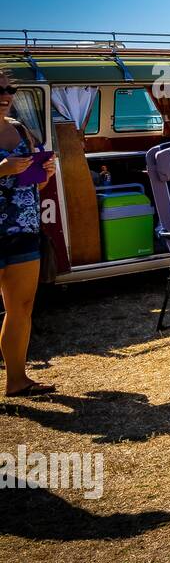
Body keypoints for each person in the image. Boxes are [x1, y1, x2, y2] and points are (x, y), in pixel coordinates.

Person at [0, 72, 58, 396]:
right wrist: (4, 169)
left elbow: (35, 185)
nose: (6, 94)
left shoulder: (21, 130)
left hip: (23, 228)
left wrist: (44, 174)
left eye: (11, 89)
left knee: (20, 307)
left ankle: (17, 380)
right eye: (0, 89)